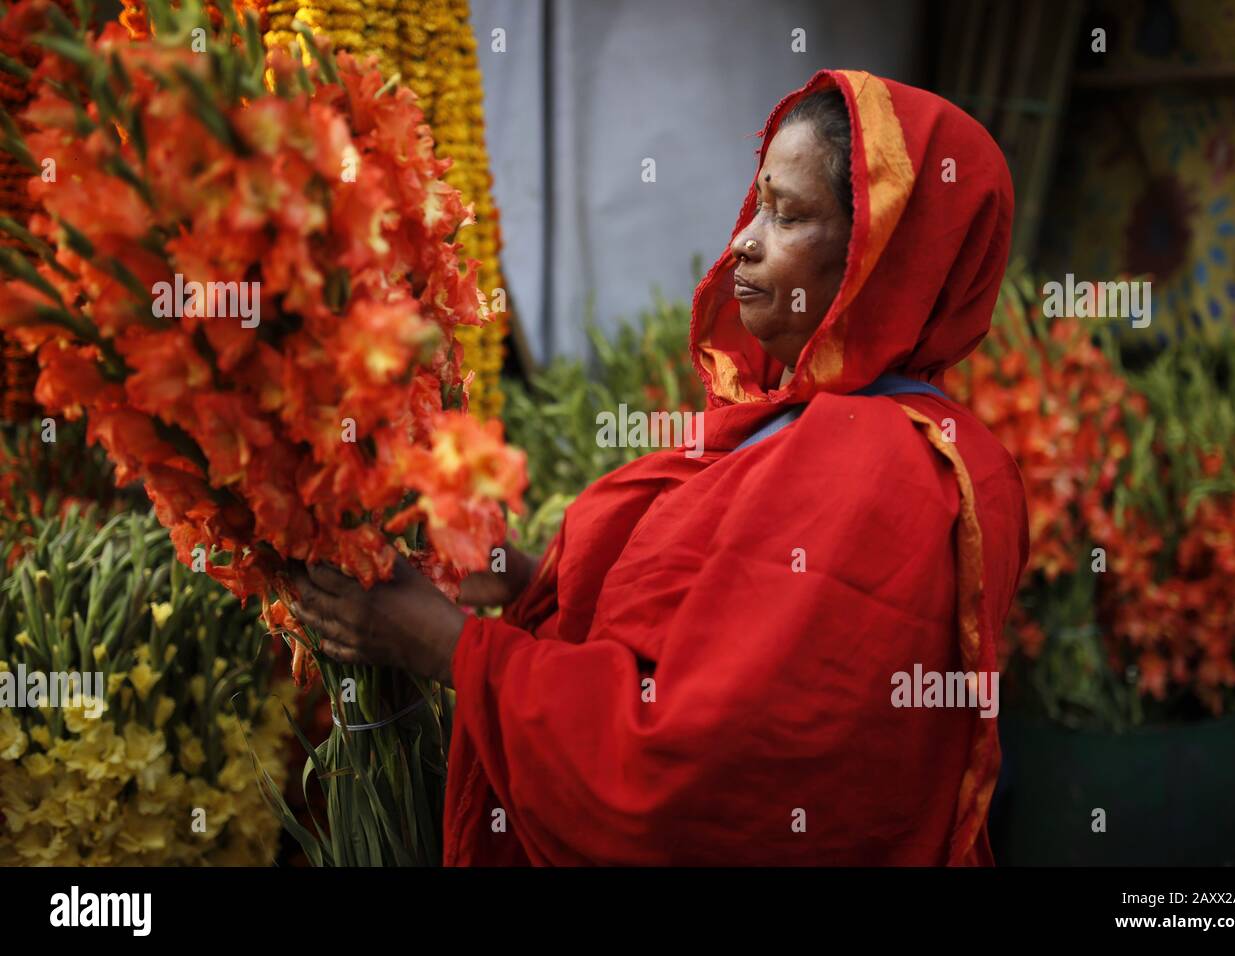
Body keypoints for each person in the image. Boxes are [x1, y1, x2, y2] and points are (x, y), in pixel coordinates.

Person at [289, 68, 1029, 865]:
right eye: (759, 203)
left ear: (883, 254)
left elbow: (685, 773)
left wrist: (442, 646)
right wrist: (530, 581)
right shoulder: (865, 431)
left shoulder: (874, 463)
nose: (744, 238)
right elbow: (702, 631)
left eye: (789, 216)